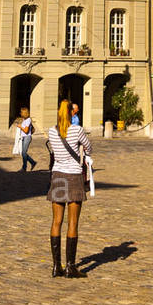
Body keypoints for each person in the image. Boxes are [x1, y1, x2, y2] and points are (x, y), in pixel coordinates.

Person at [47, 99, 93, 279]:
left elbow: (54, 151)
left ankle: (56, 265)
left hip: (58, 175)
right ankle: (70, 267)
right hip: (73, 176)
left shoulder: (52, 131)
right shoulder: (77, 130)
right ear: (71, 112)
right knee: (72, 223)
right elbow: (89, 147)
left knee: (56, 221)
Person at [14, 106, 36, 172]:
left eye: (21, 112)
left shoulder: (28, 120)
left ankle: (24, 168)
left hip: (27, 137)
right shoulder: (24, 120)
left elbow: (26, 130)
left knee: (23, 153)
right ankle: (32, 162)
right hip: (24, 137)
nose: (20, 113)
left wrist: (20, 127)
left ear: (24, 113)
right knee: (23, 153)